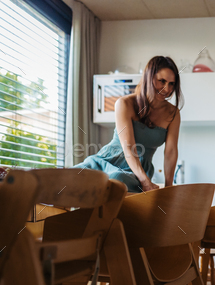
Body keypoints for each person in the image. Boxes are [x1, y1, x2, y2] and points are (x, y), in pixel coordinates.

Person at [74, 56, 182, 192]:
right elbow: (129, 147)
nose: (166, 89)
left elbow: (170, 152)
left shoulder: (173, 113)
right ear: (149, 78)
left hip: (137, 172)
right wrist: (145, 181)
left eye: (171, 83)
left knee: (117, 181)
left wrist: (168, 188)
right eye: (162, 81)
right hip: (106, 163)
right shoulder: (125, 103)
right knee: (69, 177)